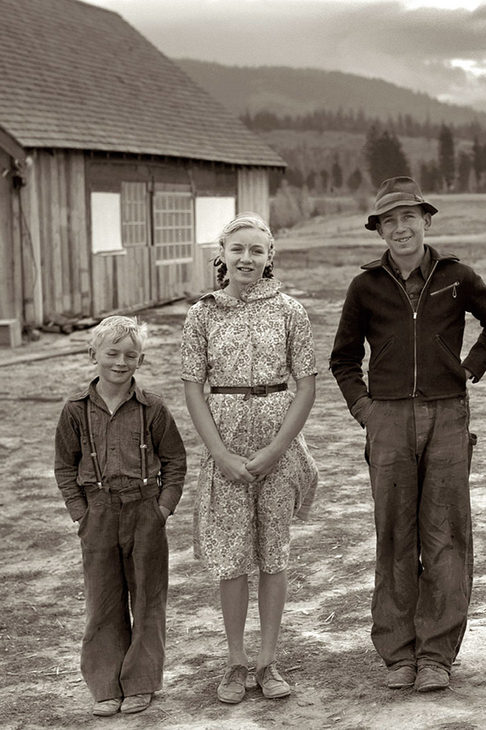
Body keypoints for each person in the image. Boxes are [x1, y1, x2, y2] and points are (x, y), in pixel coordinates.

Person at [329, 176, 486, 692]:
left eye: (409, 217)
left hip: (448, 415)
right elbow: (343, 359)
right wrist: (365, 410)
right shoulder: (365, 286)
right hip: (387, 419)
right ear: (379, 230)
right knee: (394, 535)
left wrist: (468, 368)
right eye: (390, 221)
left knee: (446, 534)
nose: (401, 228)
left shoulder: (456, 276)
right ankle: (398, 654)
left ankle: (436, 654)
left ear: (426, 220)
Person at [181, 212, 318, 704]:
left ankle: (268, 662)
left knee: (273, 556)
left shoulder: (290, 312)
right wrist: (220, 453)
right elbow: (193, 388)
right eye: (237, 249)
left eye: (256, 250)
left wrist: (277, 448)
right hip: (226, 454)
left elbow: (306, 386)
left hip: (277, 452)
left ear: (269, 257)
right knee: (232, 559)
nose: (246, 258)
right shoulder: (202, 314)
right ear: (222, 255)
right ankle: (236, 662)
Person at [54, 315, 187, 717]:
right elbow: (64, 466)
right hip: (97, 512)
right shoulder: (75, 410)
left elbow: (175, 461)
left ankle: (141, 682)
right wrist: (80, 513)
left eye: (131, 355)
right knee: (104, 600)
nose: (120, 362)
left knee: (148, 597)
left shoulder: (153, 409)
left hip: (145, 510)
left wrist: (162, 509)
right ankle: (106, 684)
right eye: (112, 353)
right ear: (92, 354)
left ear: (141, 361)